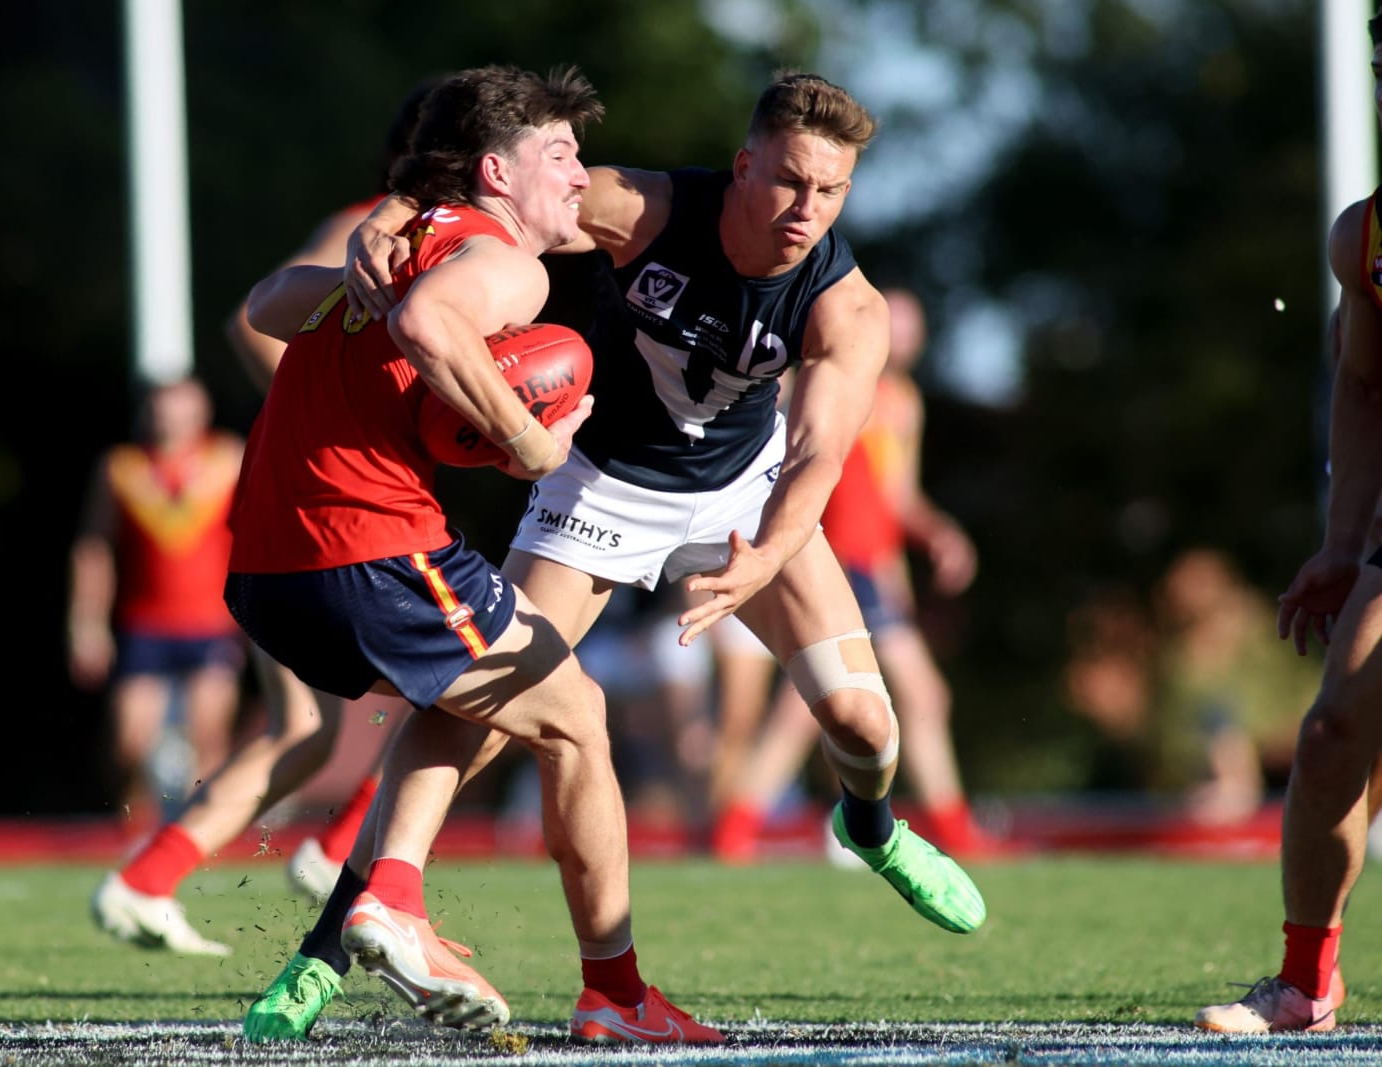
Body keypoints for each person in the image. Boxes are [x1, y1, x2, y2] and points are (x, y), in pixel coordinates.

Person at [313, 67, 985, 1024]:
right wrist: (396, 210)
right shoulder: (642, 208)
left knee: (870, 730)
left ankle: (872, 826)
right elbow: (503, 186)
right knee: (486, 697)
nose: (808, 208)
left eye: (831, 190)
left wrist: (762, 556)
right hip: (598, 485)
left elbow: (817, 460)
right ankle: (354, 919)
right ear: (744, 164)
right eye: (790, 180)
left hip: (745, 501)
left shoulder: (849, 306)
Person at [231, 65, 721, 1044]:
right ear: (495, 171)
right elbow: (428, 323)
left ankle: (366, 920)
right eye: (559, 153)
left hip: (269, 570)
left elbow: (266, 305)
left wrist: (377, 256)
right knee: (576, 717)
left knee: (477, 699)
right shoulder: (505, 263)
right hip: (366, 547)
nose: (580, 174)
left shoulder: (404, 244)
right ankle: (606, 991)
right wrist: (533, 442)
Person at [88, 82, 441, 958]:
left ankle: (156, 875)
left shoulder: (434, 239)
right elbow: (256, 322)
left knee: (329, 720)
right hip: (320, 517)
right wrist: (332, 416)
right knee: (467, 677)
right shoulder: (376, 224)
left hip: (321, 517)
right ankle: (323, 852)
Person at [1194, 8, 1381, 1033]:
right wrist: (1343, 545)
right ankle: (1307, 981)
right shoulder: (1365, 235)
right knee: (1332, 728)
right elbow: (1361, 389)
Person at [711, 289, 1001, 861]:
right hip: (827, 556)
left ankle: (954, 826)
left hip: (873, 567)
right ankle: (735, 828)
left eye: (912, 329)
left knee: (921, 696)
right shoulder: (820, 383)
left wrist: (936, 534)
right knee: (807, 711)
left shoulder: (903, 404)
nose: (903, 339)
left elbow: (898, 498)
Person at [69, 378, 245, 826]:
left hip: (213, 622)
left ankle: (195, 838)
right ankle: (133, 828)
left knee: (209, 738)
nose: (171, 419)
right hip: (144, 623)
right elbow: (94, 547)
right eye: (162, 409)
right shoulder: (121, 468)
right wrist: (85, 623)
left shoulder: (228, 460)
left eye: (182, 409)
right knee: (129, 742)